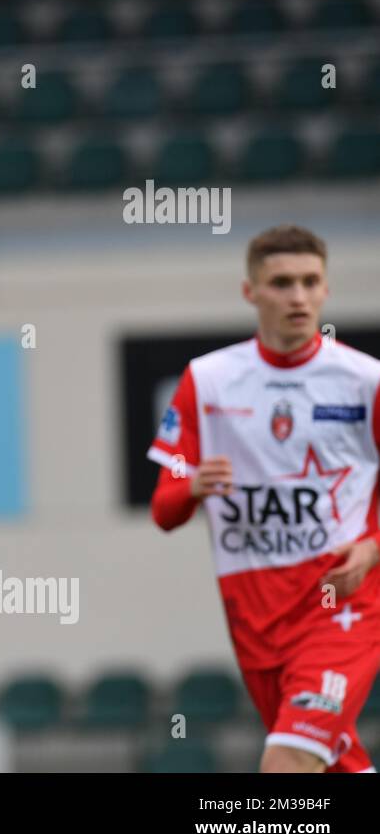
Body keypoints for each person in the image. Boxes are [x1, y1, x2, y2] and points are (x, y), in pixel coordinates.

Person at [149, 224, 380, 773]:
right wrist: (194, 485)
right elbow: (165, 509)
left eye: (310, 282)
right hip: (254, 616)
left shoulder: (365, 381)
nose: (298, 297)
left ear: (325, 289)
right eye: (281, 283)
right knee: (337, 765)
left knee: (285, 765)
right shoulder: (208, 380)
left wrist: (373, 545)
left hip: (341, 607)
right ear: (250, 291)